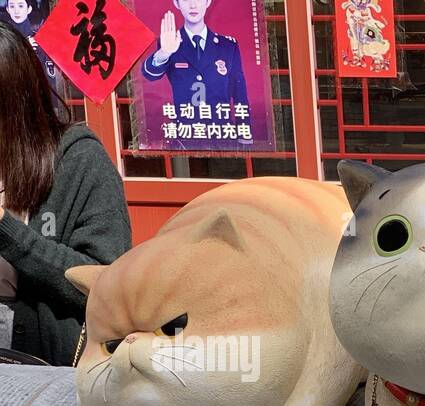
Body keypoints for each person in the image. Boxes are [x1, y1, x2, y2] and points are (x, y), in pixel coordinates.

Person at [0, 22, 130, 364]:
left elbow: (108, 283)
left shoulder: (78, 161)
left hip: (46, 371)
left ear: (14, 103)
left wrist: (7, 230)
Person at [141, 0, 251, 143]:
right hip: (184, 138)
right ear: (176, 3)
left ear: (208, 2)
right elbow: (149, 74)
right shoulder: (170, 42)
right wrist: (164, 52)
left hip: (222, 135)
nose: (193, 5)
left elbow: (239, 92)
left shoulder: (228, 46)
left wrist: (244, 134)